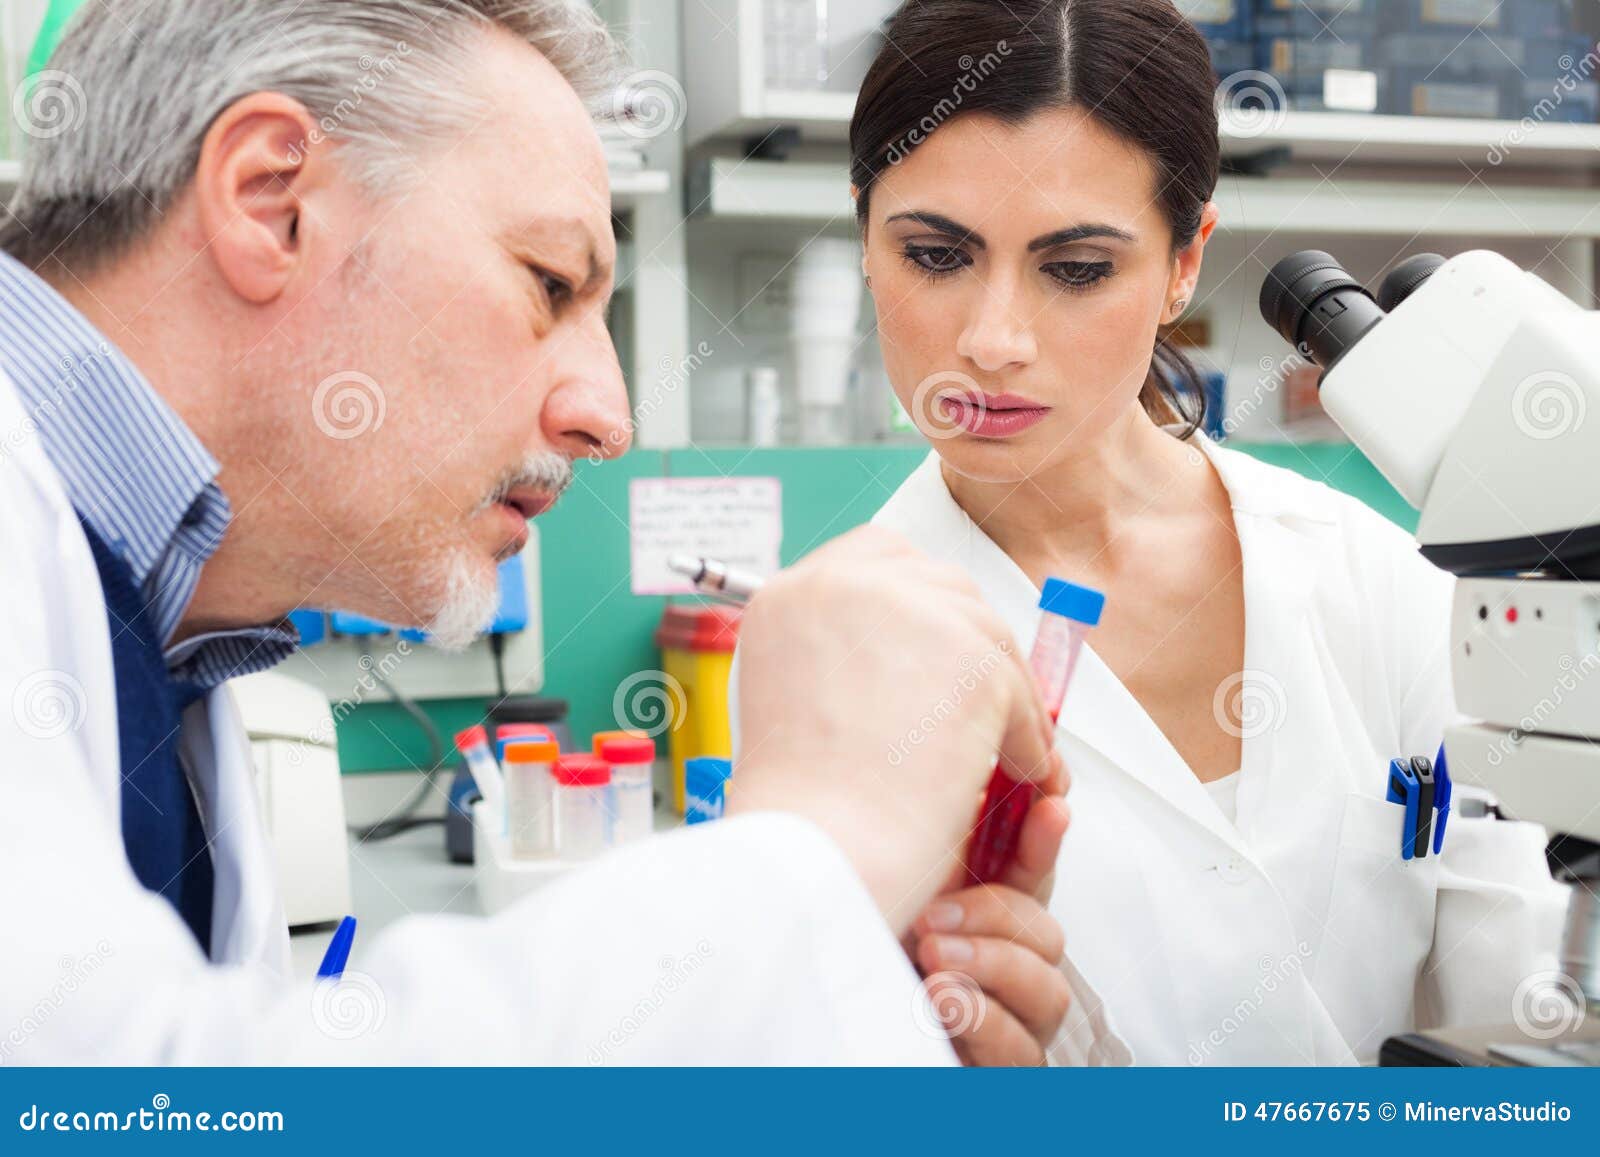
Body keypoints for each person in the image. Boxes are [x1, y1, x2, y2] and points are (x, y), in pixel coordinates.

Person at [0, 0, 1069, 1064]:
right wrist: (820, 849)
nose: (605, 415)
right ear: (272, 202)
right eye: (548, 282)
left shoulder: (170, 639)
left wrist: (826, 997)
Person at [848, 0, 1572, 1064]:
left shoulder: (1382, 583)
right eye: (935, 254)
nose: (991, 340)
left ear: (1185, 260)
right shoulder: (839, 659)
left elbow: (1527, 1009)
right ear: (865, 236)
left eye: (1075, 268)